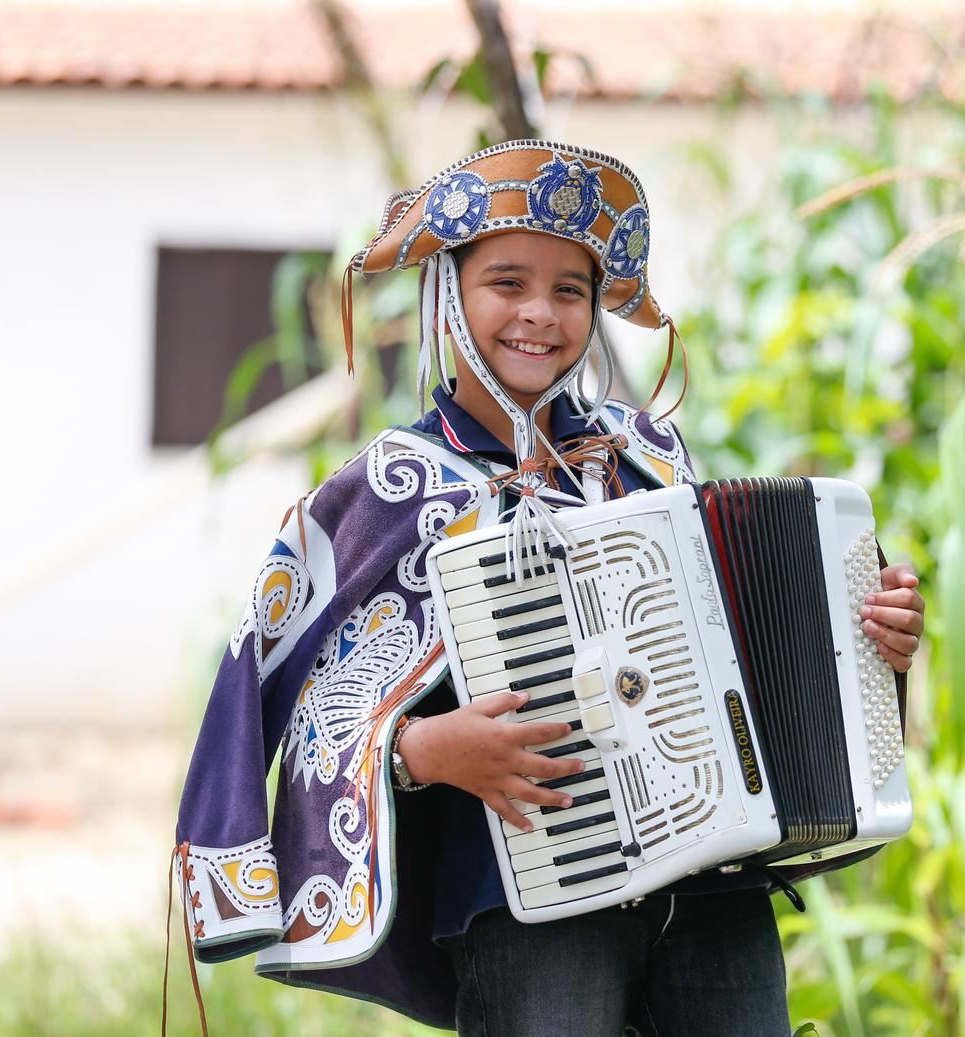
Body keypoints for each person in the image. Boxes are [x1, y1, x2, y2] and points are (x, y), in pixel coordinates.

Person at [172, 141, 925, 1037]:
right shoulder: (389, 486)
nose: (539, 314)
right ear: (447, 294)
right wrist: (420, 749)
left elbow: (750, 642)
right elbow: (298, 704)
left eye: (570, 289)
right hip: (525, 900)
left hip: (716, 888)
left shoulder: (650, 457)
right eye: (506, 282)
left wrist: (866, 630)